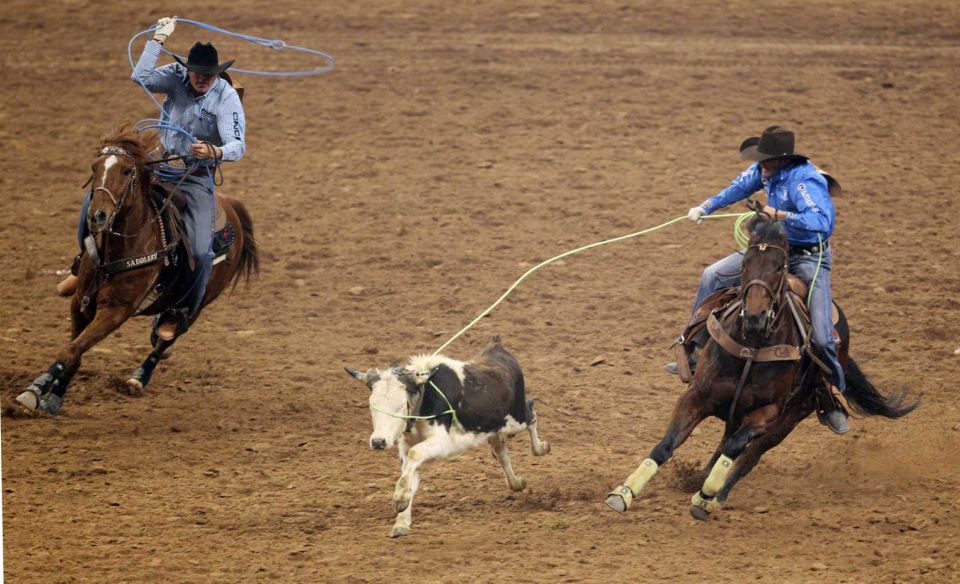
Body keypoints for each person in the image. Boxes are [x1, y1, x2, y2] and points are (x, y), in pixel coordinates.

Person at [58, 17, 247, 341]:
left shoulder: (226, 98)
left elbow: (238, 145)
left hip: (194, 176)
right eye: (198, 72)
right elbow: (140, 75)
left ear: (216, 74)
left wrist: (214, 152)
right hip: (156, 164)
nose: (203, 79)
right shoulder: (175, 78)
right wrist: (158, 39)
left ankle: (179, 309)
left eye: (209, 74)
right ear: (187, 70)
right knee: (95, 201)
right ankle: (82, 269)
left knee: (201, 250)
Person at [666, 126, 849, 434]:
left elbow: (822, 222)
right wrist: (706, 207)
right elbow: (737, 188)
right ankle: (694, 349)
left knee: (821, 334)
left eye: (767, 160)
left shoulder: (806, 180)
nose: (761, 165)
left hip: (808, 258)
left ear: (784, 160)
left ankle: (830, 395)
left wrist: (778, 215)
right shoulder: (764, 172)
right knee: (712, 276)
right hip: (771, 250)